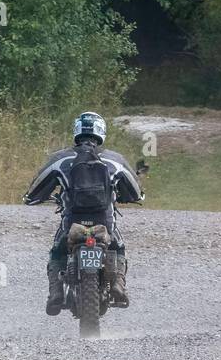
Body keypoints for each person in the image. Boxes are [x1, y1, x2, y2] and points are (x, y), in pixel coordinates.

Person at [22, 112, 143, 314]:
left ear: (77, 131)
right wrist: (133, 197)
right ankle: (118, 285)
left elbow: (35, 191)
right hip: (105, 223)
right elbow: (135, 193)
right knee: (119, 247)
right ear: (101, 132)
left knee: (57, 252)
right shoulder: (115, 160)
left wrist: (31, 198)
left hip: (72, 224)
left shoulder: (60, 159)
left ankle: (55, 294)